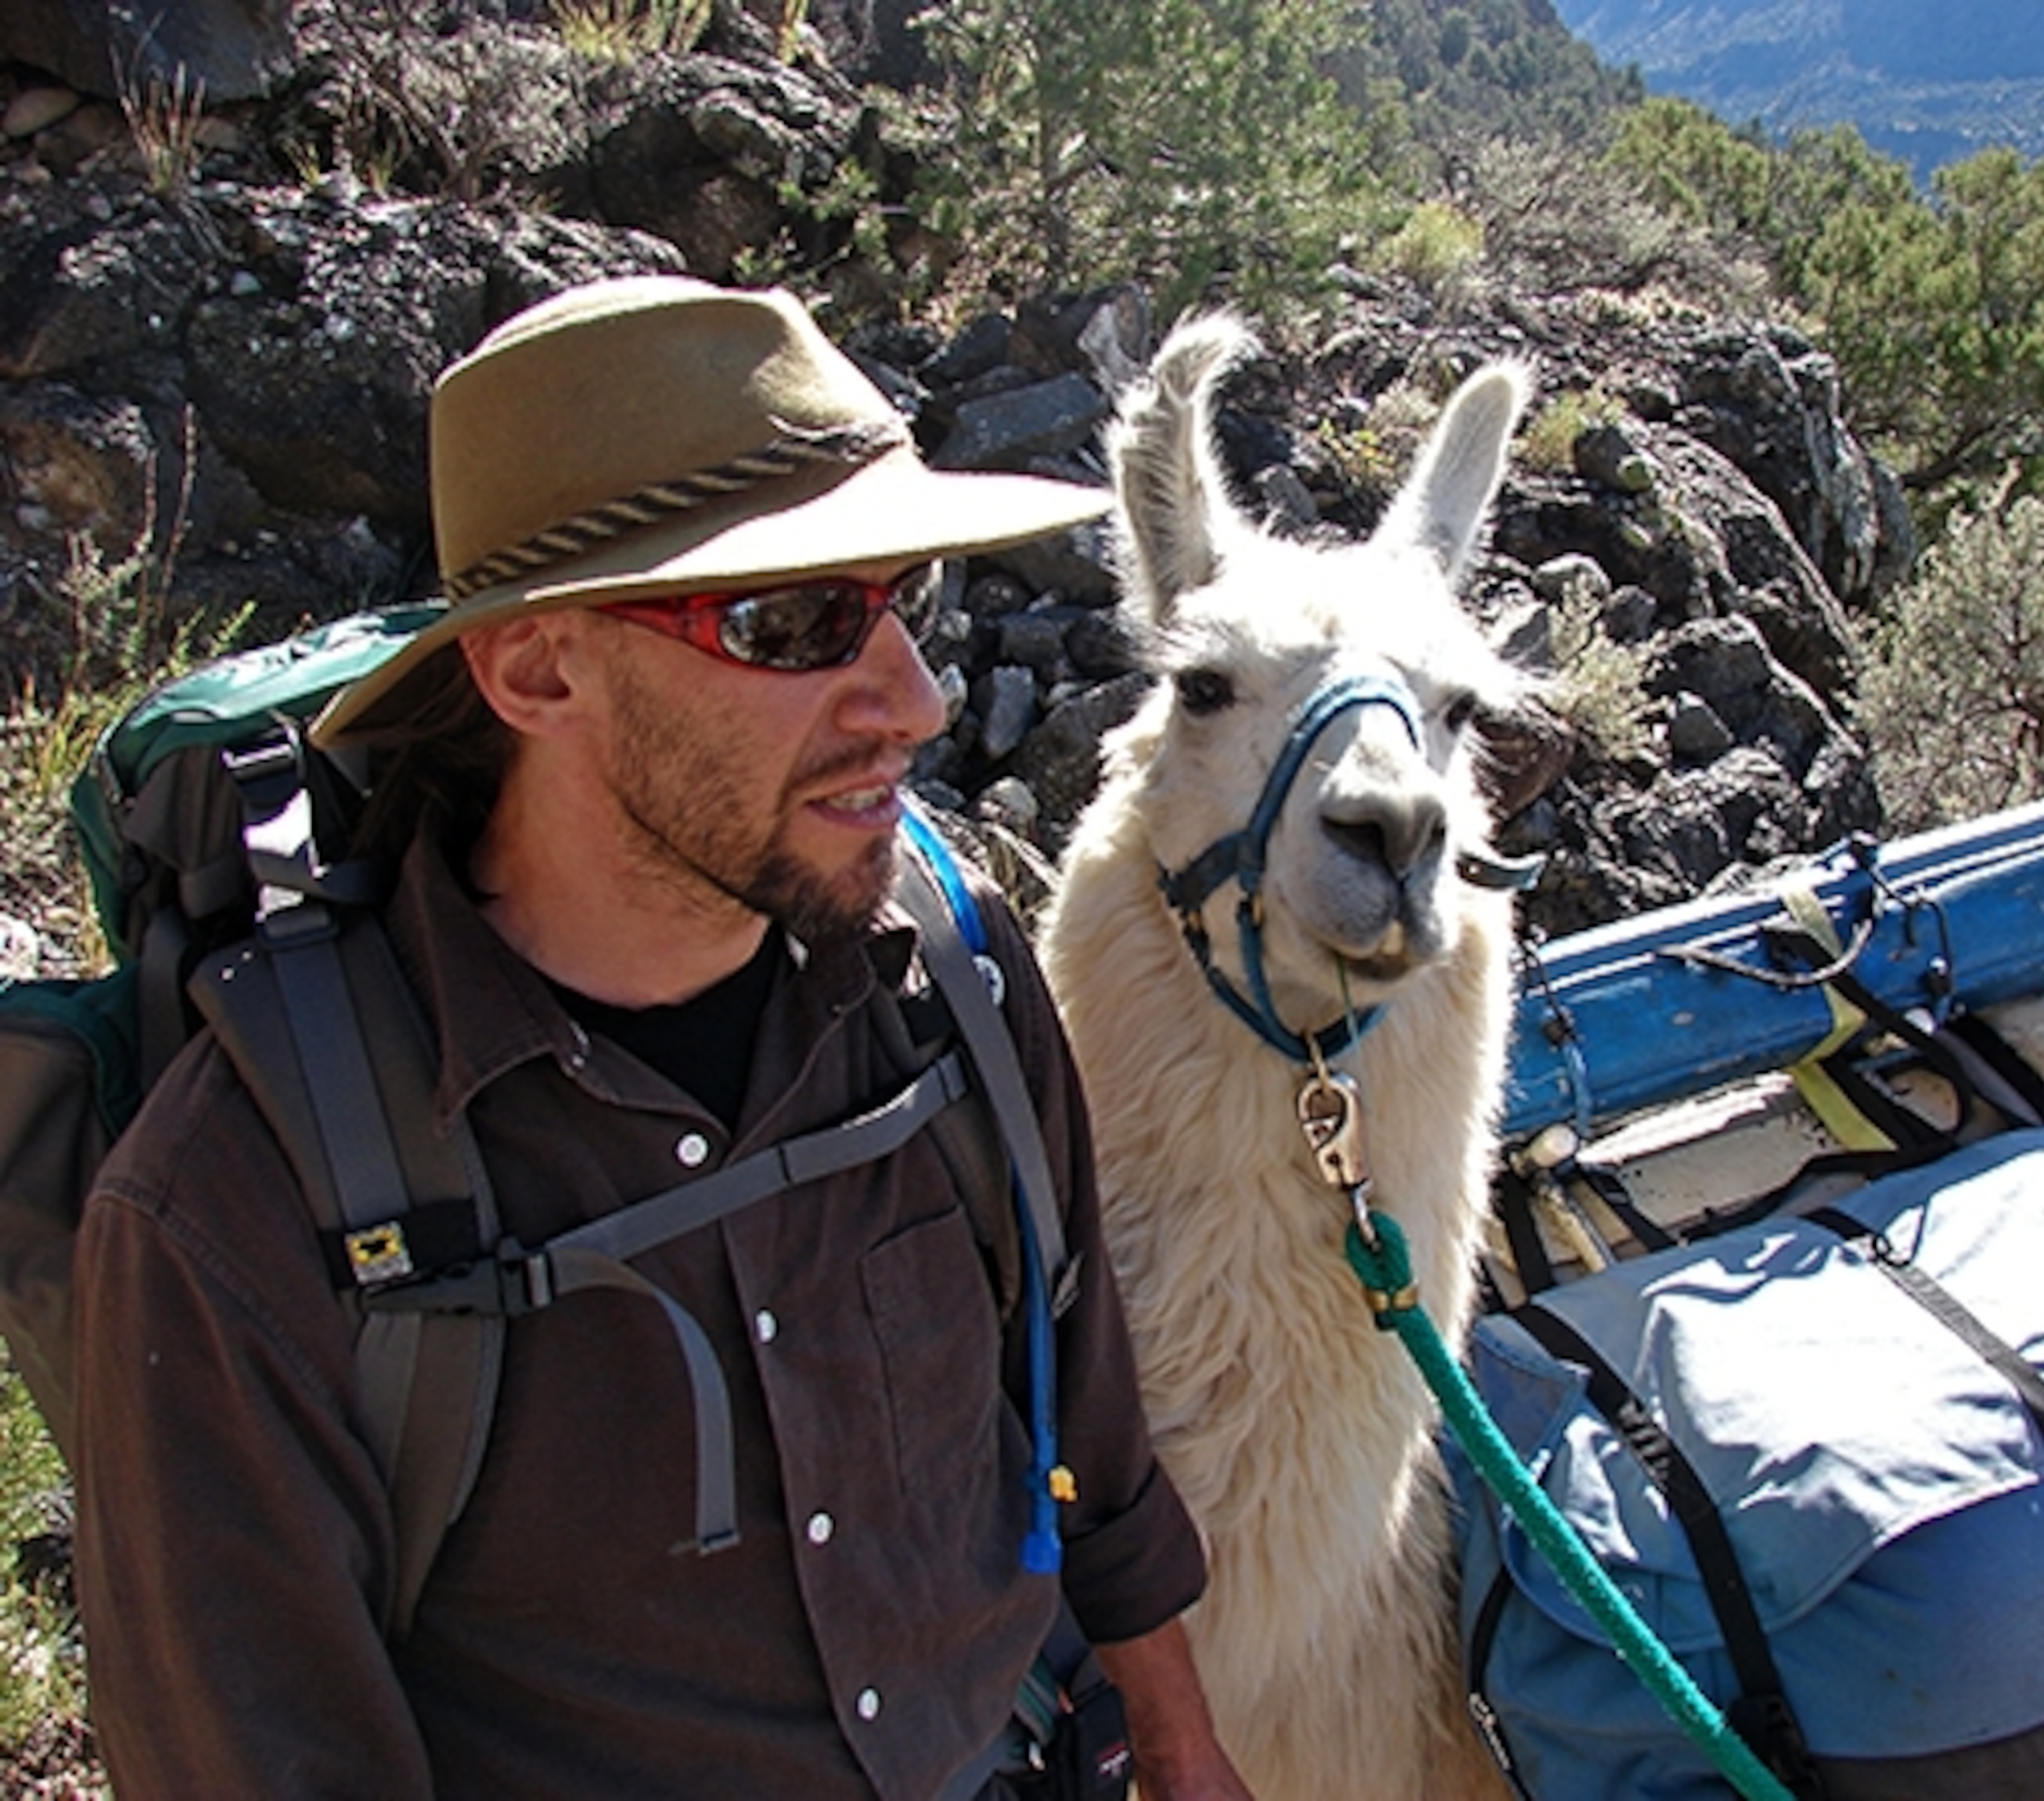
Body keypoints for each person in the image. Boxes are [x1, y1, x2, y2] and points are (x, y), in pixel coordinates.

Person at [71, 275, 1253, 1799]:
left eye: (908, 603)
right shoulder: (238, 1209)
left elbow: (1085, 1425)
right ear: (537, 670)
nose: (911, 696)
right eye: (794, 622)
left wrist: (1181, 1741)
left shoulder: (948, 974)